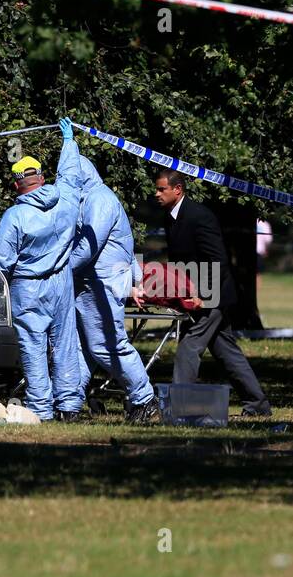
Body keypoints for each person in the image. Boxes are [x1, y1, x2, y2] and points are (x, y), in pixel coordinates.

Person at [153, 169, 273, 416]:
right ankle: (258, 404)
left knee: (188, 346)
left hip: (212, 296)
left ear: (177, 190)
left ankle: (179, 408)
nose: (156, 194)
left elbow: (217, 260)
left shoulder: (199, 216)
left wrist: (204, 296)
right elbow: (180, 262)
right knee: (226, 352)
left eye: (161, 189)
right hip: (195, 295)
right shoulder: (170, 217)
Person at [0, 118, 85, 422]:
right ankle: (69, 406)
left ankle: (41, 408)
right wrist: (69, 141)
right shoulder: (67, 201)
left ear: (17, 183)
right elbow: (71, 174)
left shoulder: (14, 217)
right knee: (66, 343)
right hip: (61, 281)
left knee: (33, 347)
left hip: (28, 286)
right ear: (42, 178)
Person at [69, 154, 160, 424]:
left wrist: (62, 268)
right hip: (90, 285)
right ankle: (69, 404)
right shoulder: (91, 200)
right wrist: (135, 280)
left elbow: (89, 246)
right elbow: (126, 249)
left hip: (101, 286)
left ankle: (145, 400)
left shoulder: (99, 201)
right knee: (82, 348)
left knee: (107, 346)